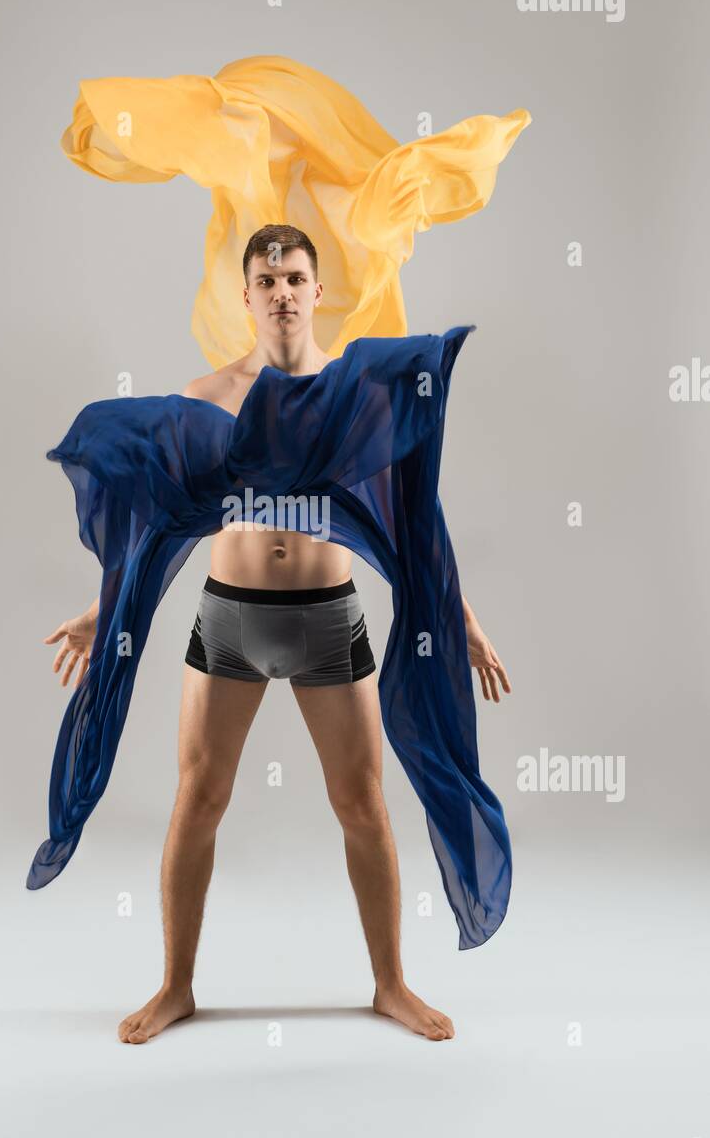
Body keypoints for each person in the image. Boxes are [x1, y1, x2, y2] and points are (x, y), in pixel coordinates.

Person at [43, 225, 512, 1045]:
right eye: (267, 280)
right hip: (231, 615)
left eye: (295, 277)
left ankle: (391, 985)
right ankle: (175, 987)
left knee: (361, 803)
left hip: (328, 619)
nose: (283, 292)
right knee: (199, 797)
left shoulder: (355, 397)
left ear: (316, 289)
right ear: (247, 296)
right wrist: (102, 607)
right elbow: (163, 518)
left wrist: (460, 619)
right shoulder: (210, 392)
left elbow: (412, 526)